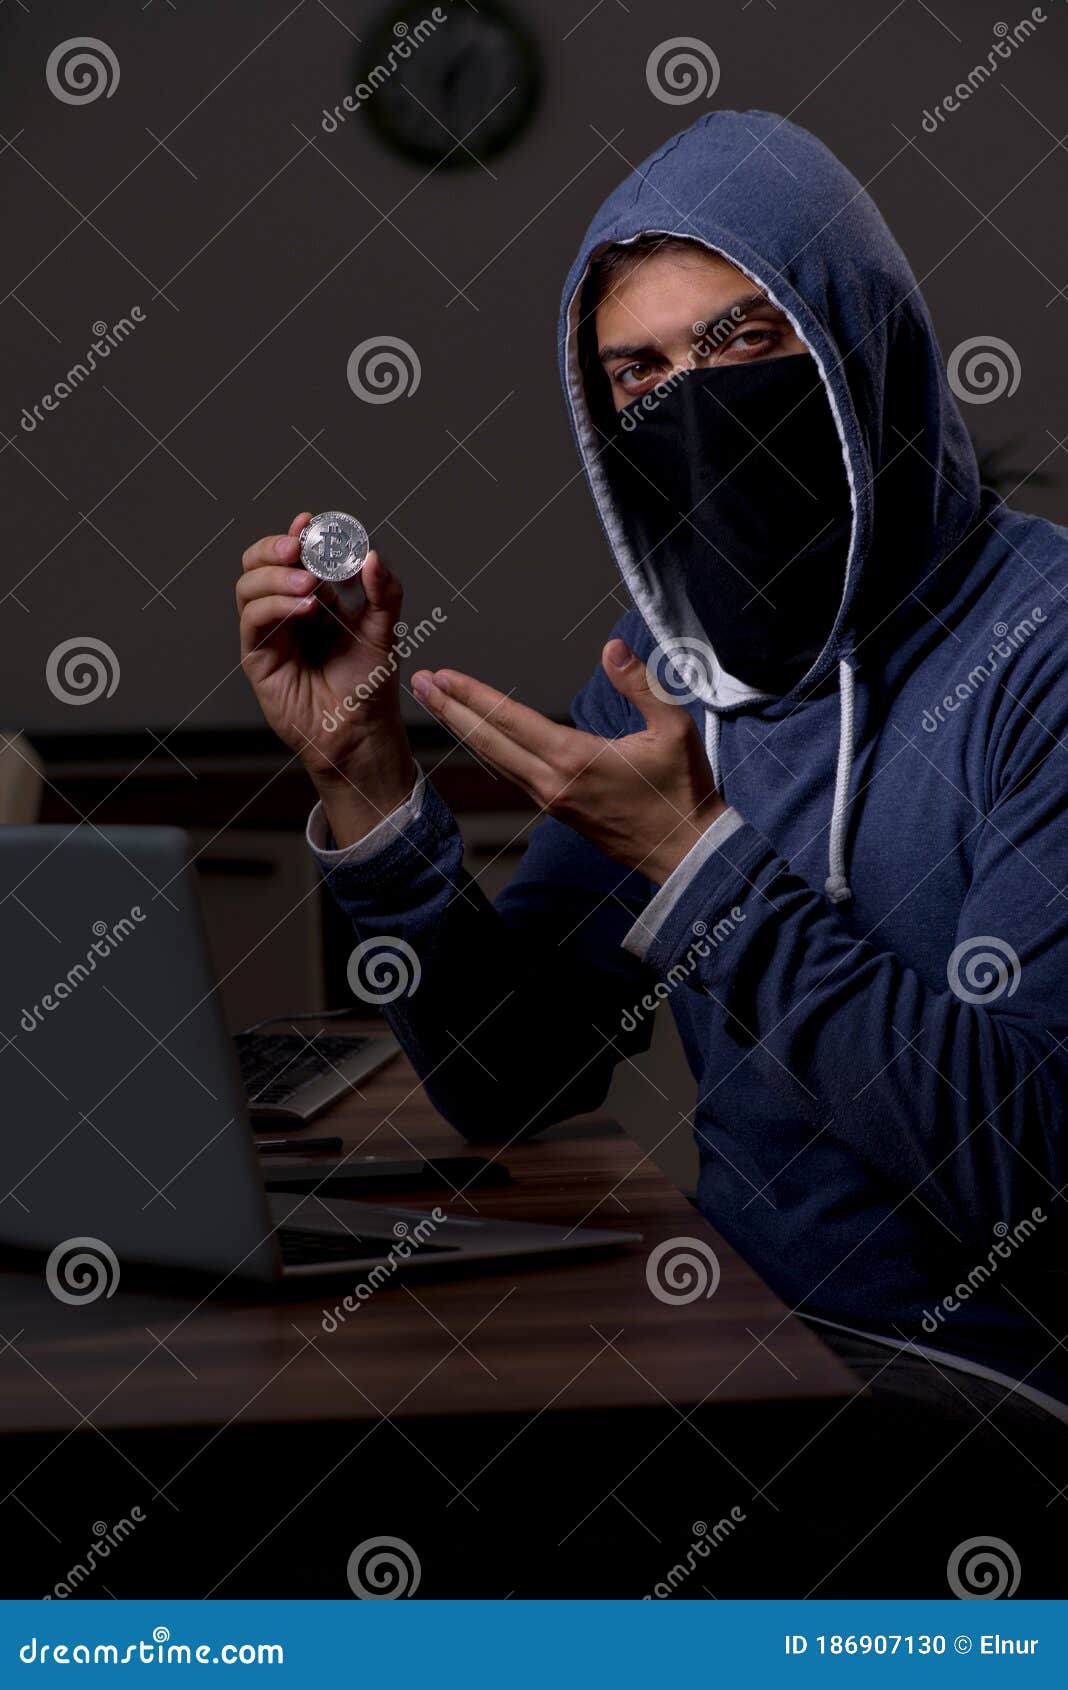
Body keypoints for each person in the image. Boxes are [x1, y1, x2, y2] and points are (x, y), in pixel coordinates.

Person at [237, 110, 1068, 1416]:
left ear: (860, 344)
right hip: (737, 1340)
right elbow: (511, 1075)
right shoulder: (667, 669)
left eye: (742, 340)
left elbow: (1026, 1174)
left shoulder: (1043, 652)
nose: (697, 404)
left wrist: (699, 865)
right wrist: (365, 775)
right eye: (642, 374)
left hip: (981, 1385)